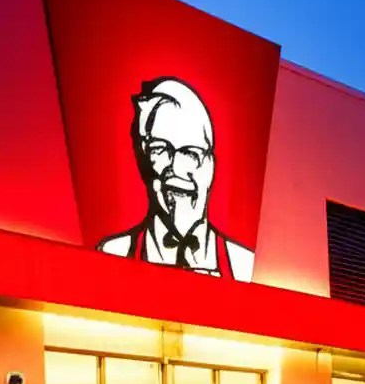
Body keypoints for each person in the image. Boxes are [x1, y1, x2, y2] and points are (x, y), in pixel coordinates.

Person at [98, 77, 254, 282]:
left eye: (191, 153)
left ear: (210, 166)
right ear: (145, 159)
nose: (176, 168)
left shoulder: (242, 264)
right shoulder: (113, 254)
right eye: (161, 150)